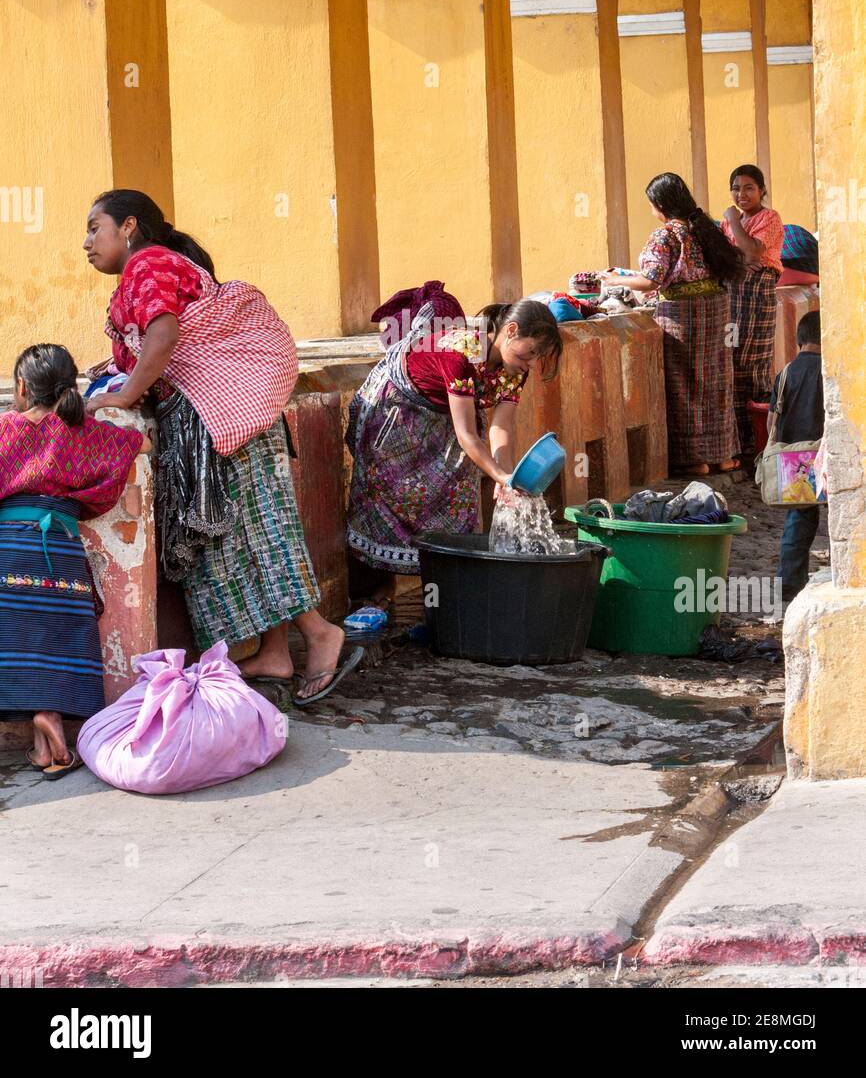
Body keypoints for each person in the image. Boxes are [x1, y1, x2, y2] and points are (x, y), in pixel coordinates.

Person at [82, 190, 362, 707]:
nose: (86, 243)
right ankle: (276, 654)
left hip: (219, 419)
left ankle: (322, 634)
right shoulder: (150, 271)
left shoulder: (148, 264)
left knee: (259, 535)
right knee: (238, 537)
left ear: (128, 227)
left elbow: (162, 334)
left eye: (94, 228)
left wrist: (125, 395)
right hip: (221, 422)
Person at [345, 292, 562, 600]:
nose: (532, 363)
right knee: (386, 495)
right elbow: (467, 436)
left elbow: (501, 427)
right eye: (531, 352)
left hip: (442, 419)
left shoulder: (514, 370)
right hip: (397, 414)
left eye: (538, 358)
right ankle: (370, 593)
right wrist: (501, 477)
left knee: (460, 497)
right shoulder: (462, 352)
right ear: (511, 331)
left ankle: (447, 593)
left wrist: (507, 476)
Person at [0, 344, 148, 777]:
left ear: (23, 387)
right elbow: (141, 443)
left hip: (9, 549)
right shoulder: (89, 433)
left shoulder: (6, 429)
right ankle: (50, 741)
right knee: (61, 640)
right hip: (62, 549)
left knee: (17, 644)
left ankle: (42, 729)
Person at [597, 172, 742, 476]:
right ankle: (723, 456)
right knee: (715, 379)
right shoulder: (705, 229)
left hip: (682, 316)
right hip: (715, 312)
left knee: (684, 382)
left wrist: (615, 279)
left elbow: (652, 278)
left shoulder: (666, 235)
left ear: (660, 204)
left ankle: (694, 459)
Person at [719, 164, 784, 457]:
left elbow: (753, 251)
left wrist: (733, 219)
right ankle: (739, 443)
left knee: (753, 363)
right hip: (733, 296)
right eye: (735, 188)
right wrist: (740, 259)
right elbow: (728, 257)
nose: (740, 194)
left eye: (748, 188)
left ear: (761, 190)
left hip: (757, 297)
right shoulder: (729, 223)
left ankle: (758, 446)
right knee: (732, 360)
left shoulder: (768, 218)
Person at [769, 309, 824, 603]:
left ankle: (789, 584)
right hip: (828, 453)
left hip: (796, 460)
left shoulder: (786, 372)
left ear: (799, 339)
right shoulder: (831, 370)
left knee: (800, 518)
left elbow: (771, 423)